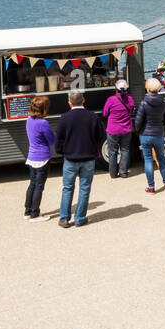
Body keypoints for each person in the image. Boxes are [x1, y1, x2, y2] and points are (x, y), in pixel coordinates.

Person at [55, 90, 104, 227]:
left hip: (70, 158)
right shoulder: (92, 116)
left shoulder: (64, 117)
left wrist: (61, 151)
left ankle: (64, 218)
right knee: (85, 188)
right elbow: (100, 135)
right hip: (88, 157)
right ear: (83, 100)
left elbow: (58, 139)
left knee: (68, 188)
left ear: (69, 103)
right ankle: (80, 218)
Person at [136, 77, 165, 194]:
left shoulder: (144, 103)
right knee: (161, 158)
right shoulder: (164, 103)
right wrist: (161, 127)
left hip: (145, 134)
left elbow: (138, 121)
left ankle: (151, 187)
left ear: (147, 89)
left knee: (148, 160)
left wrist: (139, 131)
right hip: (158, 134)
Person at [24, 95, 55, 220]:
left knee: (32, 183)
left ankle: (27, 210)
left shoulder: (28, 120)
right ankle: (35, 213)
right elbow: (51, 140)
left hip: (32, 156)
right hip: (42, 157)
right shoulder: (44, 123)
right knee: (39, 186)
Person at [102, 78, 135, 178]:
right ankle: (123, 172)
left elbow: (104, 113)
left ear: (116, 89)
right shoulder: (130, 99)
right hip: (126, 129)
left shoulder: (111, 100)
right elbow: (132, 111)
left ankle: (113, 173)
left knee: (112, 151)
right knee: (125, 150)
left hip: (113, 130)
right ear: (126, 90)